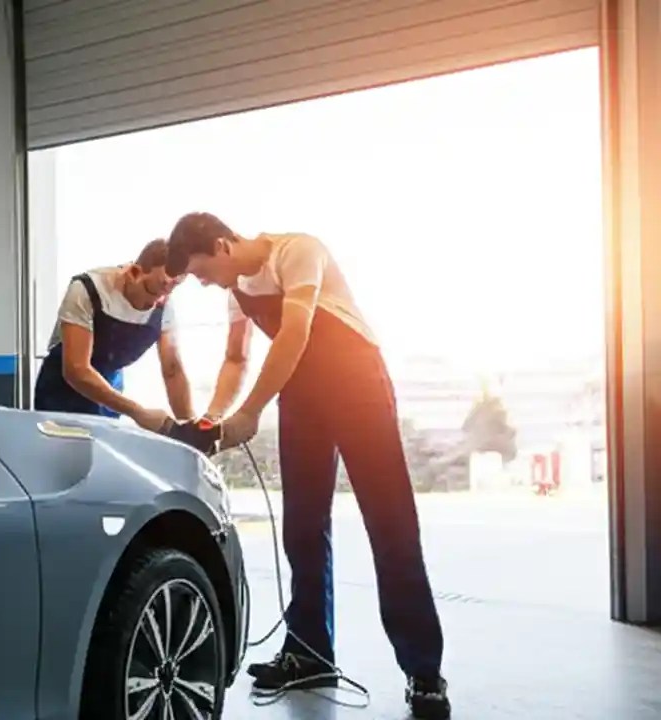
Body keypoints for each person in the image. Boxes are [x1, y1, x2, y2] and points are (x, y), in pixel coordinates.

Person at [165, 212, 451, 720]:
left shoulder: (296, 250)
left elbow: (296, 332)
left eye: (203, 271)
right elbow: (236, 360)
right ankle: (310, 653)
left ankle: (423, 671)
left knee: (391, 525)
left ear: (223, 245)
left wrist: (252, 411)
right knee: (301, 526)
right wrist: (218, 416)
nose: (206, 284)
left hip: (356, 381)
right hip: (301, 393)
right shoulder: (237, 291)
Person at [33, 239, 192, 430]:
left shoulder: (164, 305)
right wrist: (138, 412)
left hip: (110, 390)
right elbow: (76, 370)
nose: (159, 301)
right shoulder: (87, 289)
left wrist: (189, 427)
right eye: (156, 288)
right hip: (62, 392)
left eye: (171, 289)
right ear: (135, 273)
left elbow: (172, 369)